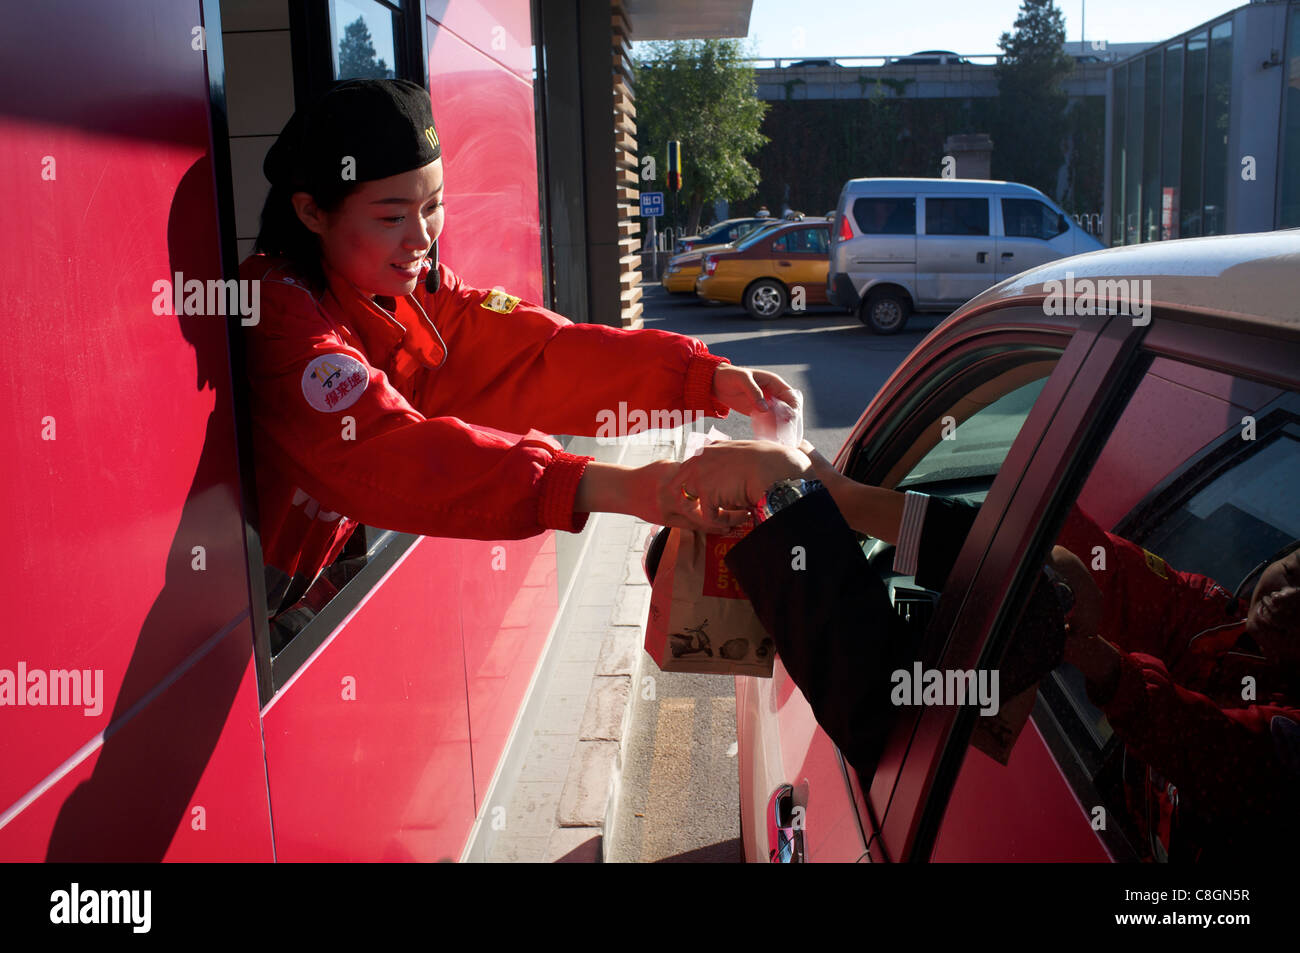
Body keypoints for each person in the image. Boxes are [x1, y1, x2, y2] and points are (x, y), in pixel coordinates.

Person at [241, 78, 796, 628]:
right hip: (237, 619)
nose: (421, 237)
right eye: (391, 216)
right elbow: (386, 449)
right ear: (312, 212)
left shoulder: (413, 291)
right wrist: (619, 487)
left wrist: (706, 377)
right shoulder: (276, 311)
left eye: (433, 206)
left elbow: (542, 354)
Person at [683, 439, 1300, 859]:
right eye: (1295, 569)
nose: (1288, 597)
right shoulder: (1210, 619)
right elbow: (1066, 555)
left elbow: (1230, 757)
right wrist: (842, 499)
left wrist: (1107, 667)